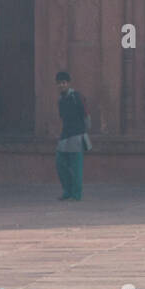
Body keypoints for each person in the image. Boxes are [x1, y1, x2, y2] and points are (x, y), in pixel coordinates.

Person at [55, 71, 90, 201]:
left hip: (77, 135)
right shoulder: (61, 100)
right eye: (59, 83)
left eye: (63, 83)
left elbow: (86, 115)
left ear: (68, 83)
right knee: (60, 164)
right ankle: (67, 191)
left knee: (76, 168)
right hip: (65, 135)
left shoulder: (77, 97)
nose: (61, 85)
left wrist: (83, 131)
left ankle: (76, 194)